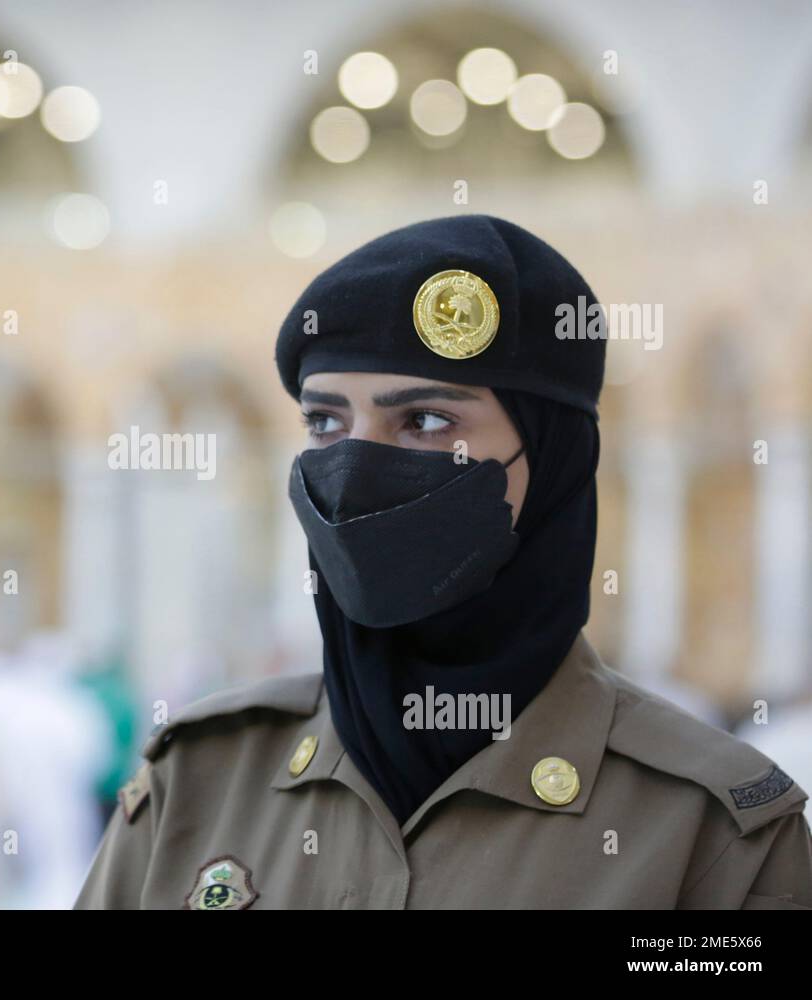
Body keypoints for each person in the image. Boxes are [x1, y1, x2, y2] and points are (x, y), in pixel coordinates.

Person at [73, 214, 812, 909]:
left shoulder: (706, 834)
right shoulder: (198, 784)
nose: (355, 468)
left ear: (552, 463)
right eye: (326, 421)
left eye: (425, 421)